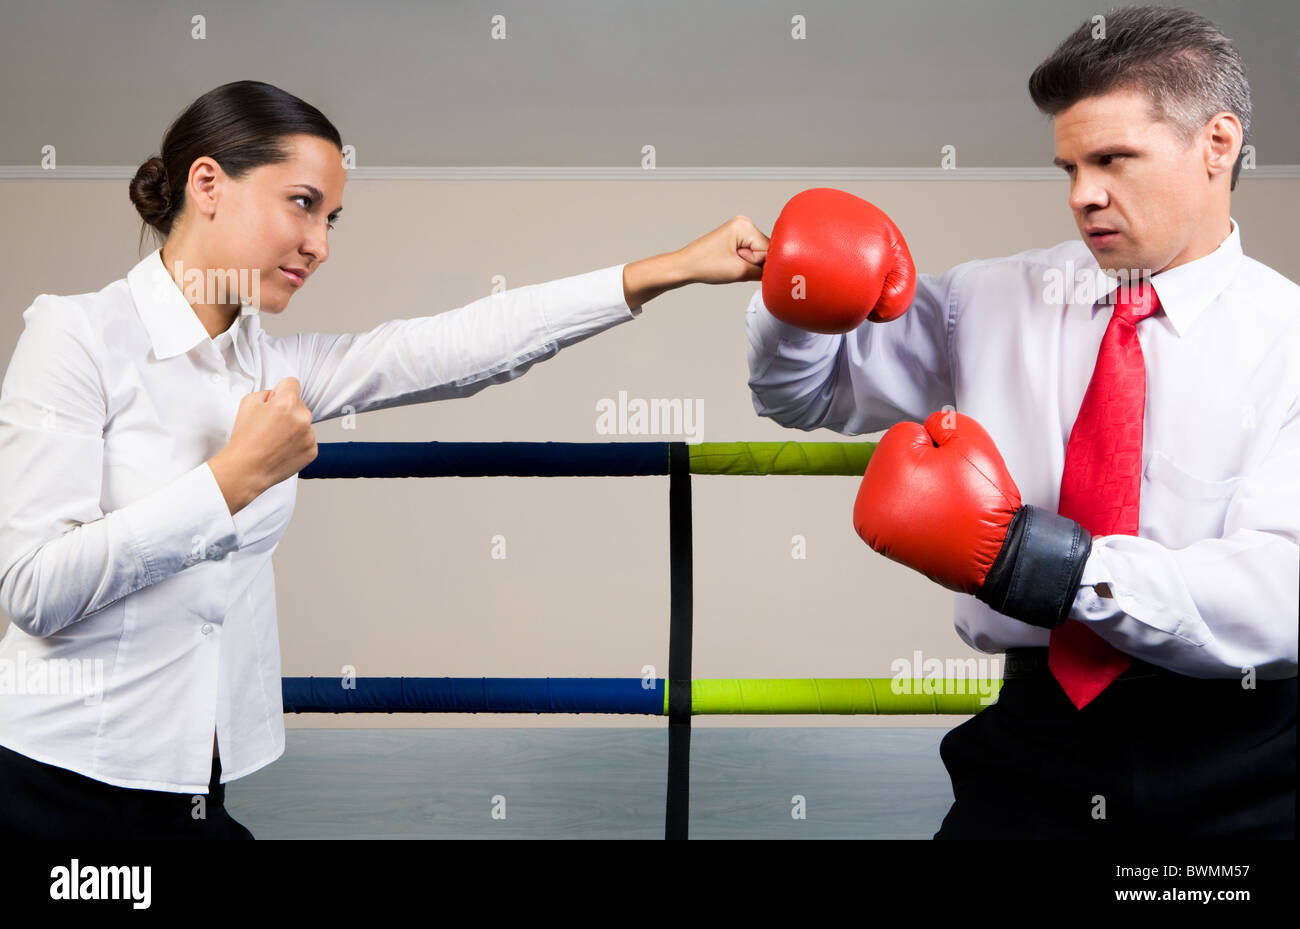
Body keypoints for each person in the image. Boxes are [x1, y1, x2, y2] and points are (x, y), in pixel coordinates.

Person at [0, 79, 769, 839]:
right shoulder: (77, 337)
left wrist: (670, 269)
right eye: (302, 204)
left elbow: (456, 349)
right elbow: (32, 587)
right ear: (208, 183)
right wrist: (230, 483)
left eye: (332, 219)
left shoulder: (273, 370)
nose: (321, 246)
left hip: (196, 788)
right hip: (49, 784)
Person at [747, 5, 1296, 838]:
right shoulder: (991, 298)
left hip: (1243, 752)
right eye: (1069, 166)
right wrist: (796, 296)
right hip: (1035, 737)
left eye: (1112, 159)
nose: (1083, 195)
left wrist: (1038, 563)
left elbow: (1279, 593)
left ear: (1218, 144)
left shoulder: (1289, 340)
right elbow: (809, 393)